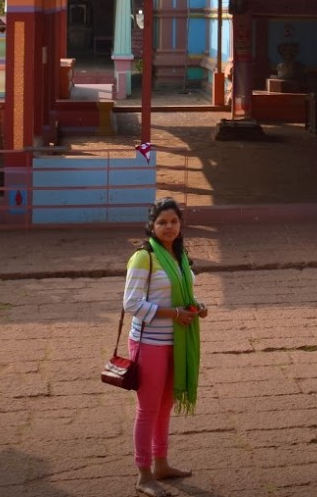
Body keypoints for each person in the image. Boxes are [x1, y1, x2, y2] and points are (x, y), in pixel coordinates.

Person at [122, 198, 207, 497]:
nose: (168, 227)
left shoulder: (180, 256)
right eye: (162, 223)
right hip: (150, 343)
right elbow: (131, 303)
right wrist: (174, 314)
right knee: (147, 409)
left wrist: (196, 307)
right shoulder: (144, 257)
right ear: (152, 226)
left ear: (181, 224)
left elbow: (182, 296)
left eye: (173, 221)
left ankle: (162, 463)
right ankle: (143, 473)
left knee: (165, 407)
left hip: (178, 341)